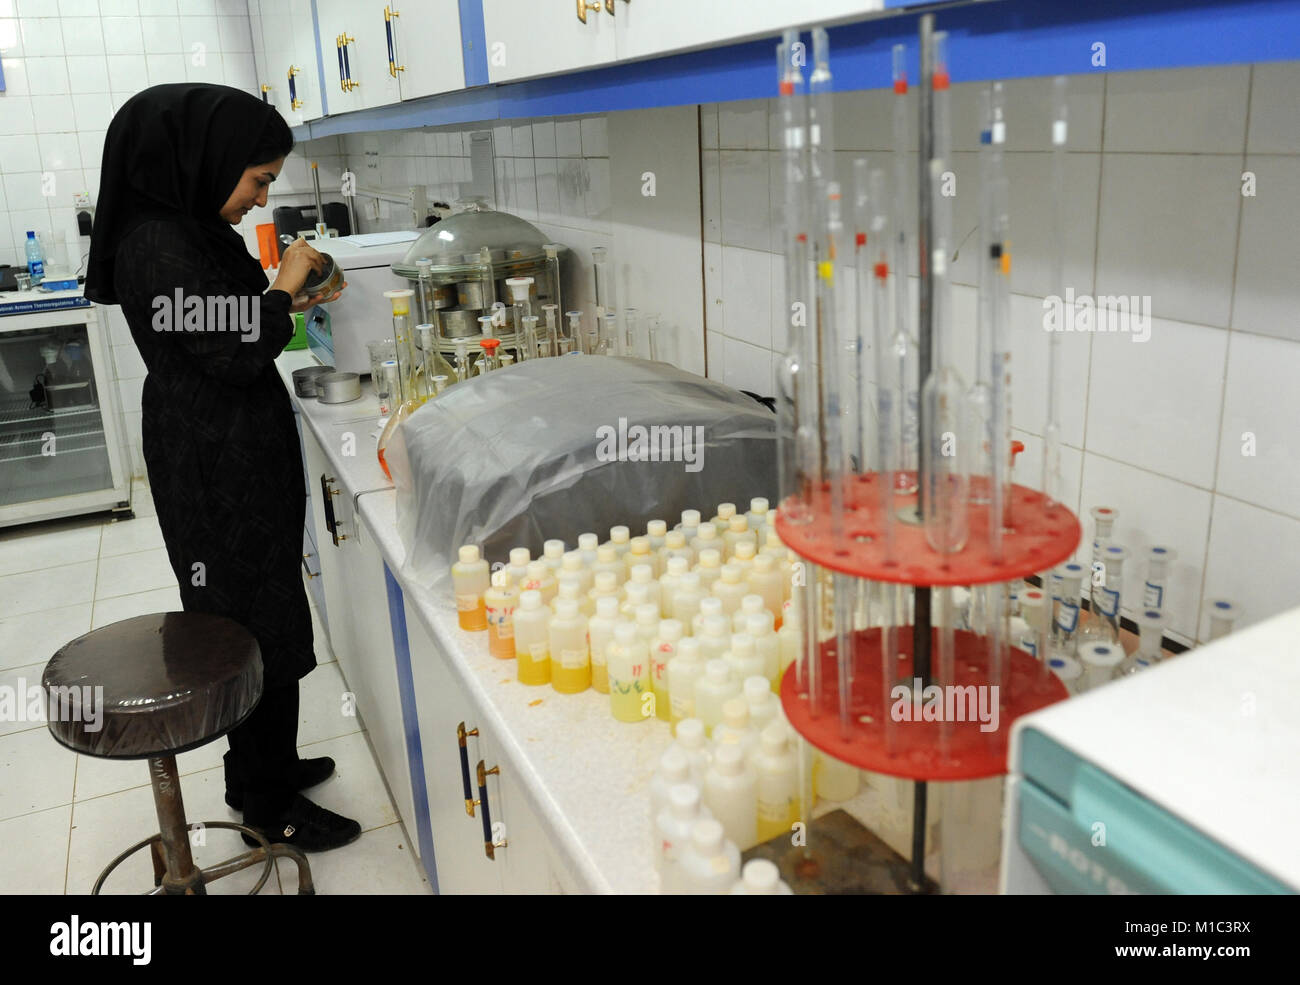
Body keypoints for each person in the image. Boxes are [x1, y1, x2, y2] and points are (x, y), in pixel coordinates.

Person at [84, 84, 359, 852]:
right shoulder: (155, 245)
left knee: (266, 616)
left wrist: (296, 293)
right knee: (248, 624)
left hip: (233, 449)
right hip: (213, 465)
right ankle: (268, 807)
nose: (261, 199)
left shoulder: (191, 227)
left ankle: (264, 767)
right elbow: (236, 345)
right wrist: (284, 288)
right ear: (203, 162)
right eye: (258, 180)